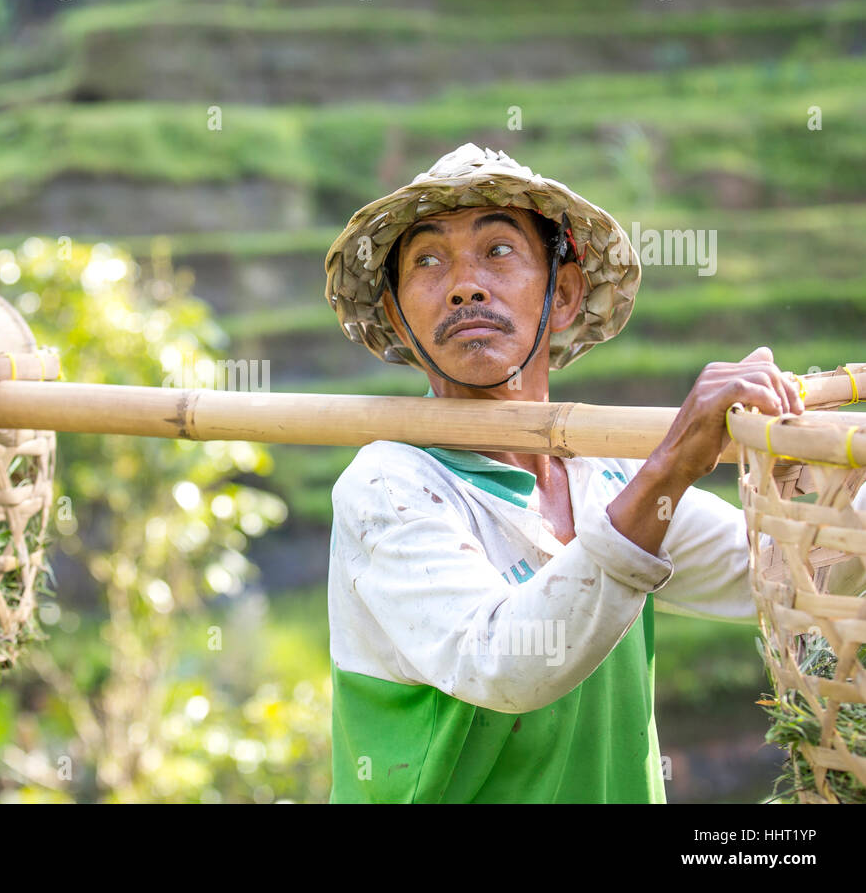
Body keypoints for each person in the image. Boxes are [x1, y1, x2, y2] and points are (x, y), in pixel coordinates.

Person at [322, 143, 863, 803]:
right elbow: (503, 662)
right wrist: (669, 466)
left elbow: (792, 574)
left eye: (497, 251)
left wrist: (835, 481)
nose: (464, 282)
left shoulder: (602, 473)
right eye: (428, 261)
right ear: (400, 318)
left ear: (565, 295)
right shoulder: (387, 489)